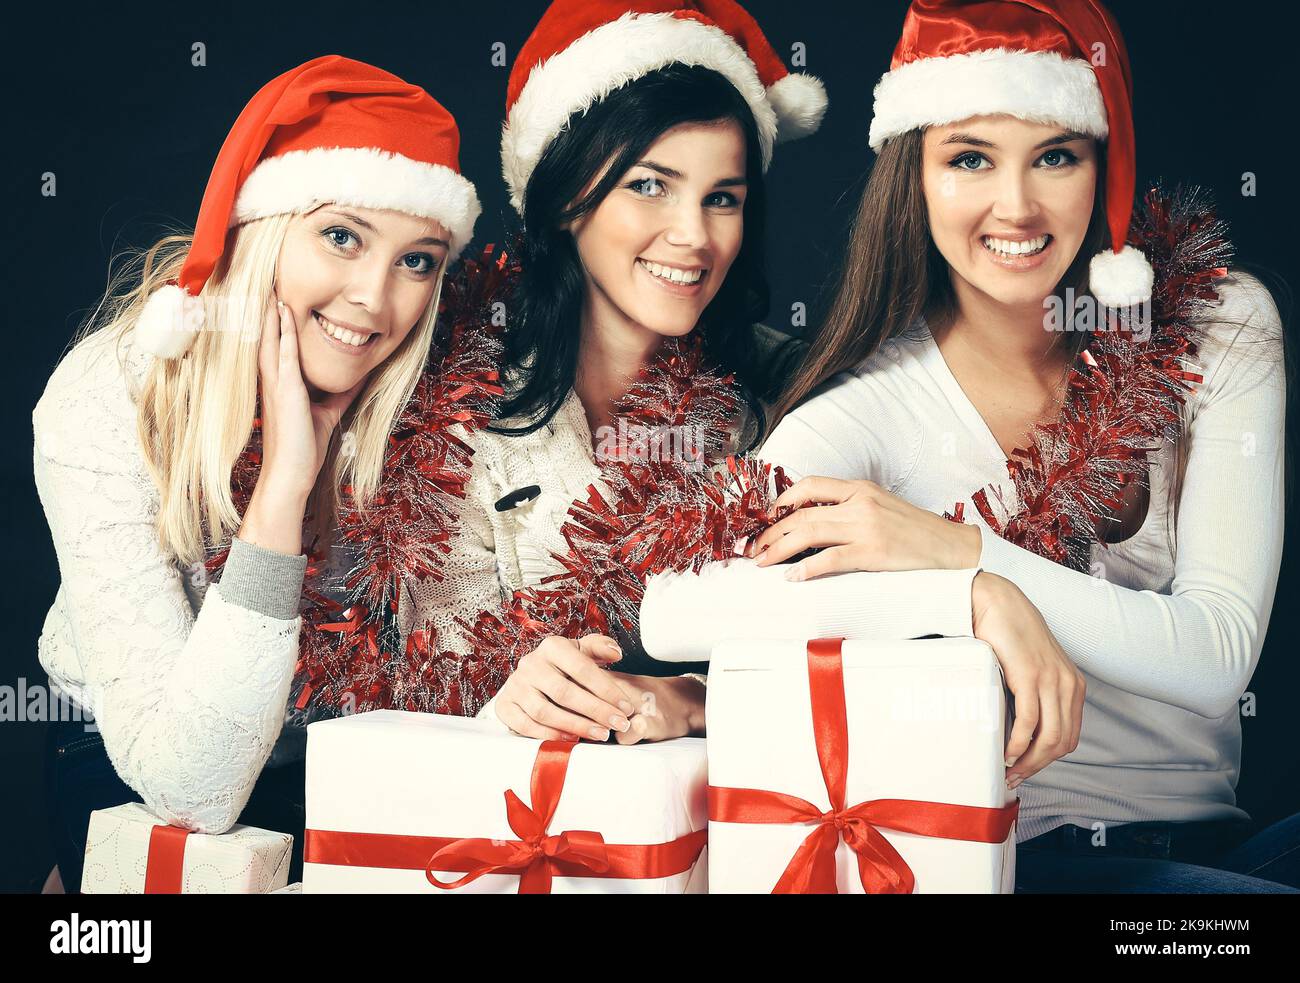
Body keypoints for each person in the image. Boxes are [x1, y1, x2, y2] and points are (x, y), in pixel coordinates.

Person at [654, 0, 1294, 892]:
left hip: (1225, 839)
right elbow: (676, 610)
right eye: (969, 159)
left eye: (1057, 156)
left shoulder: (1216, 325)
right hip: (1026, 853)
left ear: (1105, 166)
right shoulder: (875, 404)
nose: (1018, 206)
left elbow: (1217, 655)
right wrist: (972, 597)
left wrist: (959, 549)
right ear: (914, 174)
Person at [33, 55, 482, 891]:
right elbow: (191, 786)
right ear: (264, 227)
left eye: (416, 260)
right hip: (135, 775)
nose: (374, 300)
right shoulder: (117, 388)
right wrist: (282, 490)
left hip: (341, 768)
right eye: (341, 237)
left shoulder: (437, 395)